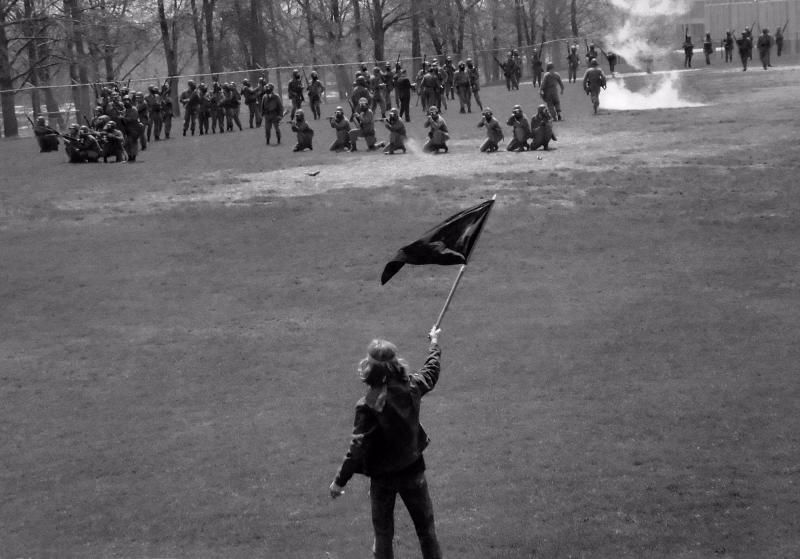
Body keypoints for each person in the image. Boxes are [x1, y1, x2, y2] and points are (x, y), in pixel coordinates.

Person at [330, 326, 444, 559]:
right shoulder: (411, 387)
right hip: (413, 470)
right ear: (395, 364)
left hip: (382, 478)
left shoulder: (368, 404)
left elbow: (357, 449)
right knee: (426, 531)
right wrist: (434, 343)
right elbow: (431, 371)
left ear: (370, 368)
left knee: (383, 534)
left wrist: (339, 483)